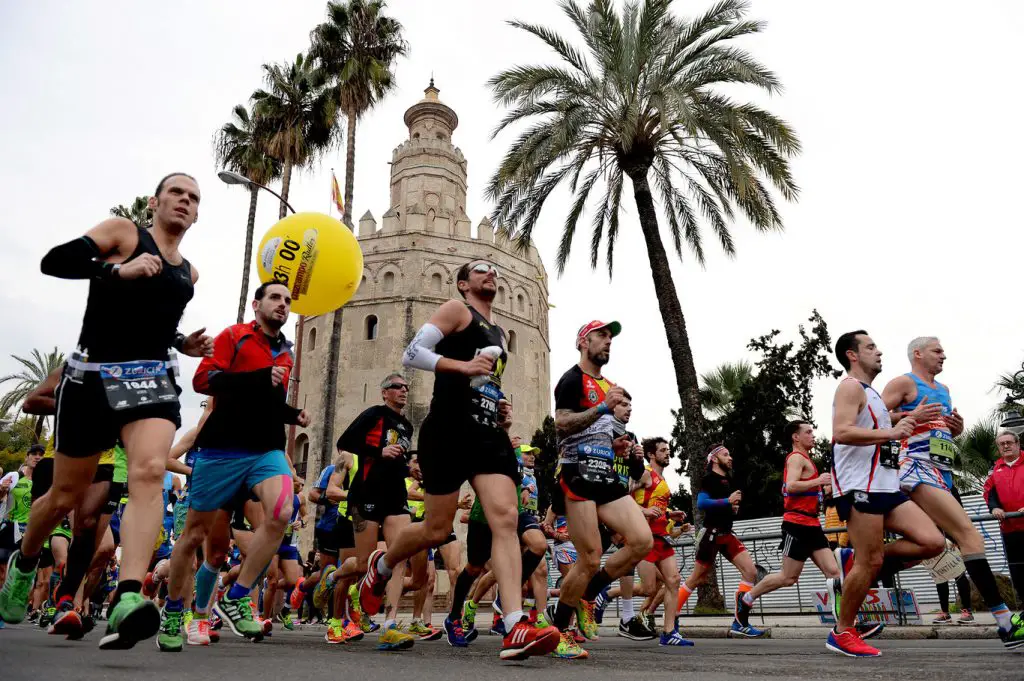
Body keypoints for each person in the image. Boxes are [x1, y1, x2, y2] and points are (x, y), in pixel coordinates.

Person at [0, 173, 213, 651]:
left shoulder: (188, 274)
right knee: (63, 496)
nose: (184, 200)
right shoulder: (123, 234)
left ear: (197, 215)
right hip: (91, 375)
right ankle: (26, 559)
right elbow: (53, 262)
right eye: (176, 192)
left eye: (193, 198)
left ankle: (129, 596)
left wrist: (184, 343)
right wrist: (117, 271)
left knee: (150, 470)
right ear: (156, 203)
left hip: (149, 379)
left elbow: (154, 325)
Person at [360, 259, 559, 660]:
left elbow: (486, 379)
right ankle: (382, 565)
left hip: (488, 435)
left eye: (494, 271)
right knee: (435, 529)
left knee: (505, 518)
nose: (491, 274)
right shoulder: (456, 310)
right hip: (448, 429)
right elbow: (413, 353)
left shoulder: (499, 333)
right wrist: (463, 365)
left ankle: (514, 623)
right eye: (481, 270)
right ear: (464, 283)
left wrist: (500, 407)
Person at [156, 281, 309, 651]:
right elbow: (203, 379)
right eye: (275, 298)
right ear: (256, 304)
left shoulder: (286, 352)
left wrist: (293, 413)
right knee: (198, 539)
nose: (282, 305)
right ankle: (175, 611)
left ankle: (236, 594)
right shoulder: (234, 337)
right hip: (222, 450)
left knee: (282, 511)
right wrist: (259, 377)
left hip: (265, 450)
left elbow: (267, 402)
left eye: (288, 301)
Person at [882, 336, 1023, 649]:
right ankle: (1004, 621)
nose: (943, 355)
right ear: (917, 354)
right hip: (915, 468)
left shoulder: (944, 390)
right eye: (937, 350)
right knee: (970, 536)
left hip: (943, 473)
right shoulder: (903, 383)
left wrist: (955, 428)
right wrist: (907, 417)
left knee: (931, 545)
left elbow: (941, 429)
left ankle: (861, 564)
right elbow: (872, 417)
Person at [549, 320, 670, 658]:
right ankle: (560, 632)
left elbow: (599, 432)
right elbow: (562, 424)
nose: (608, 342)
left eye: (610, 338)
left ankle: (590, 594)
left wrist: (619, 447)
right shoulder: (572, 379)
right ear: (582, 342)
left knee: (642, 541)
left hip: (606, 476)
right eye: (601, 336)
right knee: (587, 559)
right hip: (578, 474)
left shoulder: (611, 386)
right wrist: (602, 408)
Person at [826, 330, 945, 657]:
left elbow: (874, 420)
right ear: (852, 355)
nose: (878, 352)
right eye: (870, 347)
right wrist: (892, 431)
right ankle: (842, 631)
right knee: (872, 559)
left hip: (885, 485)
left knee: (933, 541)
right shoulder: (849, 387)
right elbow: (842, 431)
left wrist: (907, 416)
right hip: (859, 485)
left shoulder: (871, 393)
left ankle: (855, 561)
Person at [328, 372, 417, 650]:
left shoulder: (407, 426)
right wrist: (379, 452)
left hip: (395, 496)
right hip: (364, 494)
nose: (403, 390)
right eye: (397, 387)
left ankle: (390, 624)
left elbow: (397, 461)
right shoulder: (373, 414)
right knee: (365, 562)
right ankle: (333, 579)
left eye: (406, 387)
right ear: (384, 392)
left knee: (398, 556)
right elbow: (344, 443)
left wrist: (410, 468)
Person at [444, 414, 549, 648]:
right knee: (474, 568)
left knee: (539, 545)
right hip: (486, 515)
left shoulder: (527, 471)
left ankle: (507, 595)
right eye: (527, 453)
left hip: (517, 514)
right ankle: (454, 617)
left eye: (532, 454)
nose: (531, 457)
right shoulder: (491, 447)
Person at [735, 421, 840, 637]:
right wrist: (818, 481)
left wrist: (822, 488)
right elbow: (790, 486)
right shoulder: (795, 458)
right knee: (788, 578)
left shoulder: (806, 459)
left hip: (812, 525)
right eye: (808, 432)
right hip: (797, 525)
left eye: (812, 431)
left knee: (834, 572)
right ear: (796, 437)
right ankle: (746, 599)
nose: (812, 435)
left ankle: (848, 623)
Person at [675, 444, 761, 639]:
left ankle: (741, 622)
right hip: (711, 534)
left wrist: (731, 509)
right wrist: (727, 502)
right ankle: (672, 617)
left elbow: (722, 504)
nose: (730, 457)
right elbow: (702, 503)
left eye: (730, 454)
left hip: (726, 533)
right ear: (714, 459)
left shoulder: (726, 480)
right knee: (696, 578)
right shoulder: (709, 479)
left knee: (750, 571)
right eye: (725, 454)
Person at [632, 437, 689, 641]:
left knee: (674, 581)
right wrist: (644, 511)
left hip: (661, 537)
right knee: (648, 588)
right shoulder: (645, 474)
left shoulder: (662, 480)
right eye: (663, 450)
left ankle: (669, 632)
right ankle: (605, 594)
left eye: (668, 449)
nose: (668, 453)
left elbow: (658, 511)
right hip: (644, 538)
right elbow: (621, 499)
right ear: (651, 454)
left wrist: (670, 516)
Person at [985, 431, 1024, 609]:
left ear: (1017, 444)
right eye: (1002, 444)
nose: (1006, 446)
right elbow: (989, 492)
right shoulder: (995, 470)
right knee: (1018, 571)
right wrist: (994, 508)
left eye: (1009, 442)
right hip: (1010, 529)